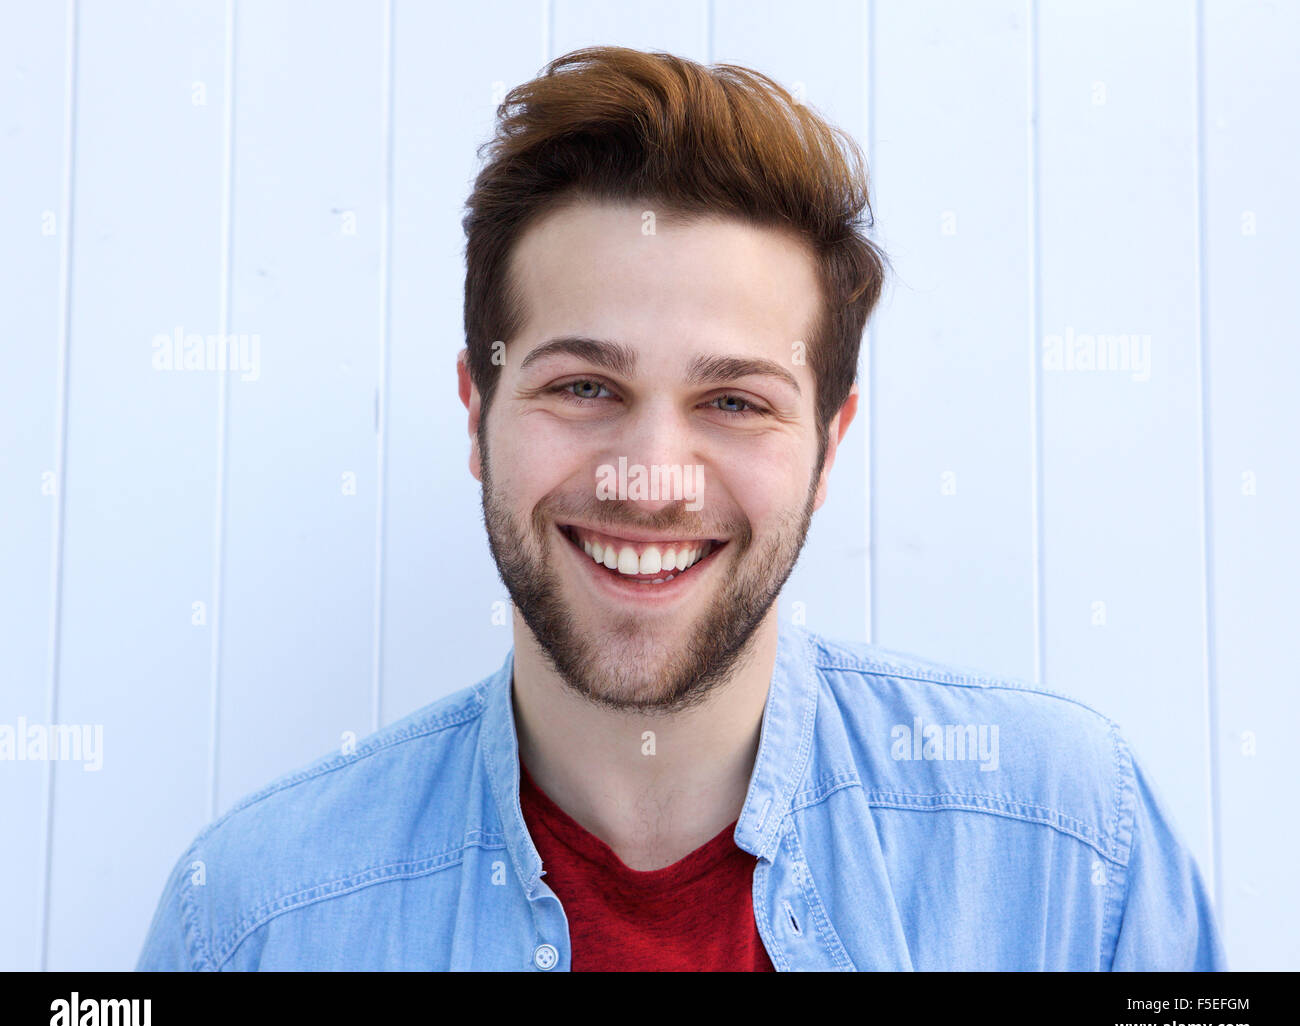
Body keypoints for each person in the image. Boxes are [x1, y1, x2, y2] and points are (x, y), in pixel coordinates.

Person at [138, 45, 1224, 972]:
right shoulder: (248, 921)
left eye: (734, 401)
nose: (651, 478)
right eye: (582, 387)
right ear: (477, 414)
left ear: (826, 448)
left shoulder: (1075, 851)